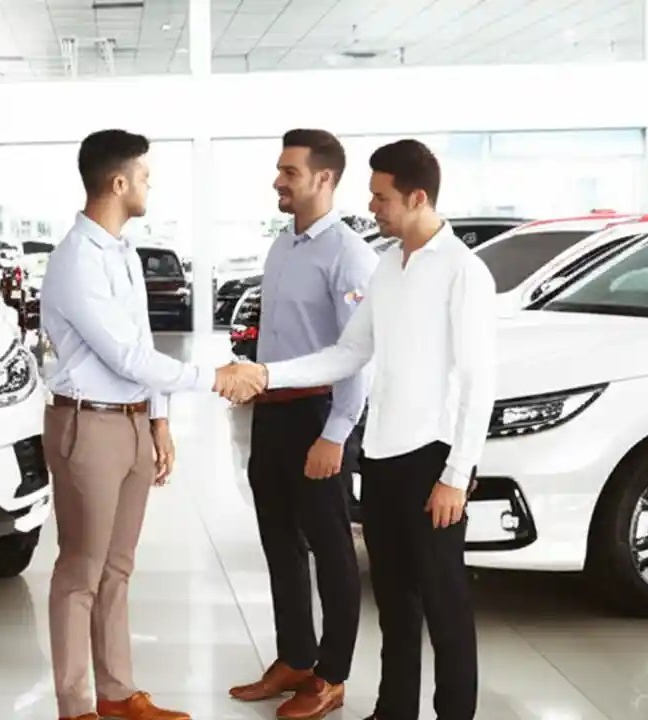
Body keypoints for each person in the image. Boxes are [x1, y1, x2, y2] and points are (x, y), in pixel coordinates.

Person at [231, 139, 494, 720]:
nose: (371, 206)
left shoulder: (463, 272)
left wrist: (457, 475)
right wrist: (266, 373)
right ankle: (392, 711)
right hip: (380, 458)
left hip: (433, 462)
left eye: (382, 197)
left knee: (445, 608)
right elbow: (348, 352)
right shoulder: (390, 267)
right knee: (396, 606)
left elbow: (479, 383)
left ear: (418, 197)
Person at [41, 128, 265, 720]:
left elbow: (142, 341)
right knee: (80, 571)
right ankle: (75, 706)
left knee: (118, 568)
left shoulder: (124, 252)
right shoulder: (75, 261)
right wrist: (215, 378)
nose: (149, 185)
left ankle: (117, 695)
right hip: (87, 426)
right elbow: (126, 357)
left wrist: (160, 421)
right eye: (143, 177)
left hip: (134, 424)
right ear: (117, 183)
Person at [227, 129, 378, 720]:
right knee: (279, 542)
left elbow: (358, 354)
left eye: (289, 172)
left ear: (325, 179)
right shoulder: (283, 246)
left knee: (332, 550)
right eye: (279, 169)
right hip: (274, 414)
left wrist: (337, 433)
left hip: (320, 416)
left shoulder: (348, 253)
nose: (277, 181)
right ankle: (295, 657)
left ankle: (332, 676)